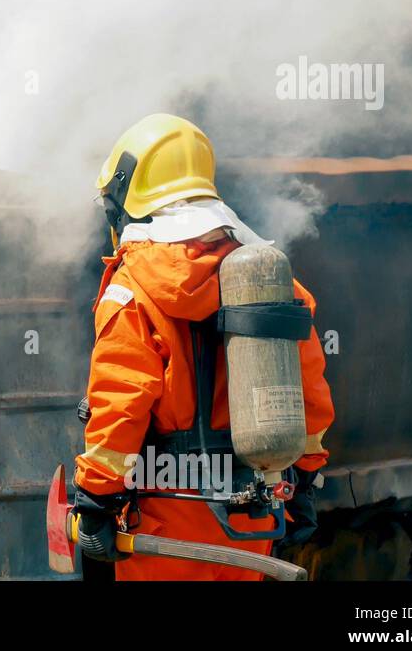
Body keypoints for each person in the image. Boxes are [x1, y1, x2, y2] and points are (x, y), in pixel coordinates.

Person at [73, 113, 334, 580]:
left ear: (127, 200)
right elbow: (308, 390)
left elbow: (122, 398)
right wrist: (307, 480)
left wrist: (95, 500)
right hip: (249, 516)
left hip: (165, 515)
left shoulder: (133, 288)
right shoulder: (271, 281)